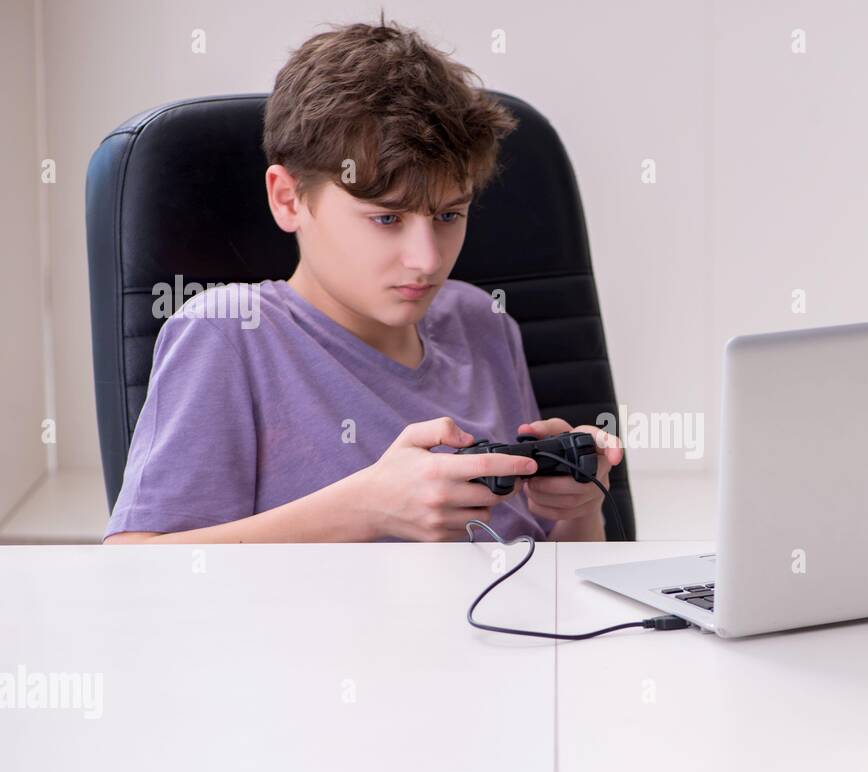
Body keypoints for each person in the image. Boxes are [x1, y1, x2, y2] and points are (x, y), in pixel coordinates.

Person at [104, 18, 620, 544]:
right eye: (386, 219)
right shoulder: (228, 336)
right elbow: (134, 570)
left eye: (447, 216)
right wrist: (364, 509)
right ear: (288, 199)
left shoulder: (482, 323)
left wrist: (578, 508)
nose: (426, 261)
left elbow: (551, 592)